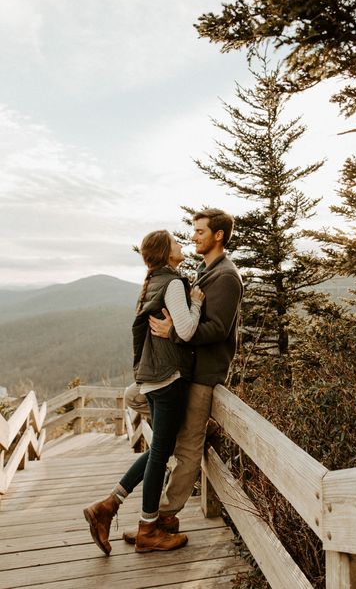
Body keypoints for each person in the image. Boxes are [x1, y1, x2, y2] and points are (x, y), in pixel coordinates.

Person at [122, 207, 243, 544]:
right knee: (162, 433)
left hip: (204, 374)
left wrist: (174, 332)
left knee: (188, 447)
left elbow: (217, 329)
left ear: (218, 235)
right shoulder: (207, 271)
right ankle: (146, 516)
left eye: (200, 231)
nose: (193, 237)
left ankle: (162, 518)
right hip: (182, 372)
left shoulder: (227, 276)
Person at [83, 229, 205, 555]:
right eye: (176, 243)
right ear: (167, 252)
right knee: (161, 454)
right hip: (169, 380)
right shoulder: (174, 283)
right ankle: (148, 529)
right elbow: (188, 329)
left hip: (151, 379)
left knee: (158, 450)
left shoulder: (152, 281)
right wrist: (194, 304)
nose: (182, 244)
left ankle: (108, 506)